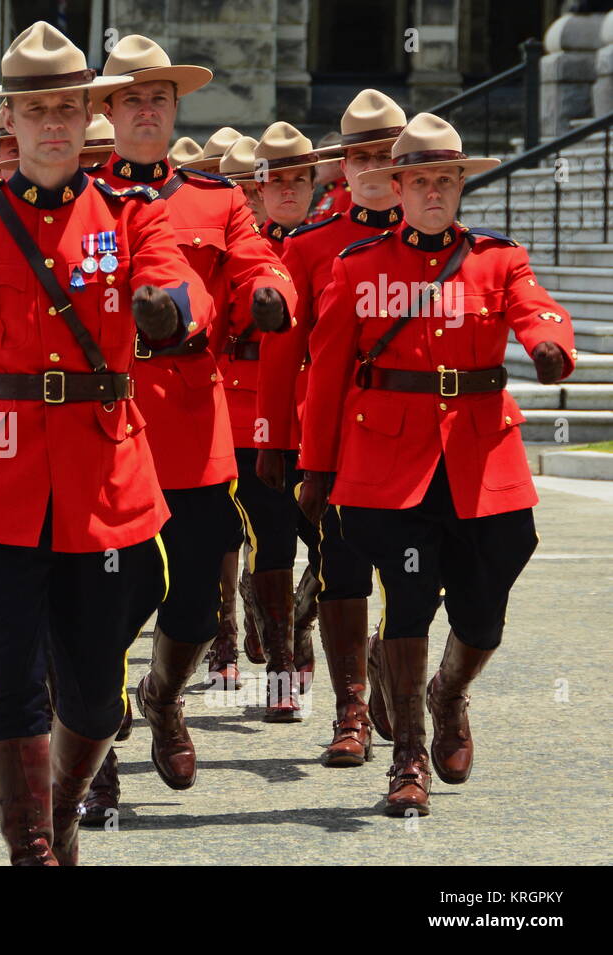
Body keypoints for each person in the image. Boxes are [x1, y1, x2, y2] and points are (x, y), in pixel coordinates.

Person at [0, 21, 215, 865]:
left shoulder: (132, 213)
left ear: (89, 114)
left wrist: (168, 312)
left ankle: (62, 811)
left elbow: (177, 283)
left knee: (97, 694)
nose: (55, 125)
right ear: (12, 125)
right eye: (38, 111)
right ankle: (29, 842)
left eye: (69, 107)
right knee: (12, 675)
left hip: (103, 473)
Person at [297, 112, 575, 816]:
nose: (433, 193)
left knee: (489, 603)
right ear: (398, 187)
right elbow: (328, 373)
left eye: (445, 181)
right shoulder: (359, 265)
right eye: (420, 180)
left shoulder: (496, 257)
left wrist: (547, 345)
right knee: (410, 597)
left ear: (459, 187)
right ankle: (408, 759)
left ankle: (448, 690)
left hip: (480, 455)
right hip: (394, 462)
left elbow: (535, 307)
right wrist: (316, 467)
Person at [82, 34, 294, 821]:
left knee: (196, 603)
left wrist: (272, 295)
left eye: (159, 98)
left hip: (192, 421)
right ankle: (95, 747)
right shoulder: (74, 196)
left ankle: (164, 699)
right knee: (99, 600)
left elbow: (254, 262)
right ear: (107, 109)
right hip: (102, 416)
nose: (146, 110)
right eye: (131, 97)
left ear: (175, 110)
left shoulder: (215, 198)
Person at [255, 89, 406, 765]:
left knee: (415, 576)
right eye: (362, 154)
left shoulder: (446, 237)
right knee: (343, 569)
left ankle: (399, 677)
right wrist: (275, 438)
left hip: (419, 441)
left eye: (386, 153)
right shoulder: (313, 245)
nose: (374, 165)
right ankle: (351, 711)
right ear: (342, 166)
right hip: (338, 435)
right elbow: (283, 351)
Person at [222, 121, 322, 720]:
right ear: (255, 190)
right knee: (270, 536)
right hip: (248, 404)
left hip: (316, 406)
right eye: (274, 181)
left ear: (315, 185)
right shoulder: (239, 246)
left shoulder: (336, 243)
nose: (287, 191)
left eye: (299, 180)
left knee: (335, 545)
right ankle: (284, 662)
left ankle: (299, 618)